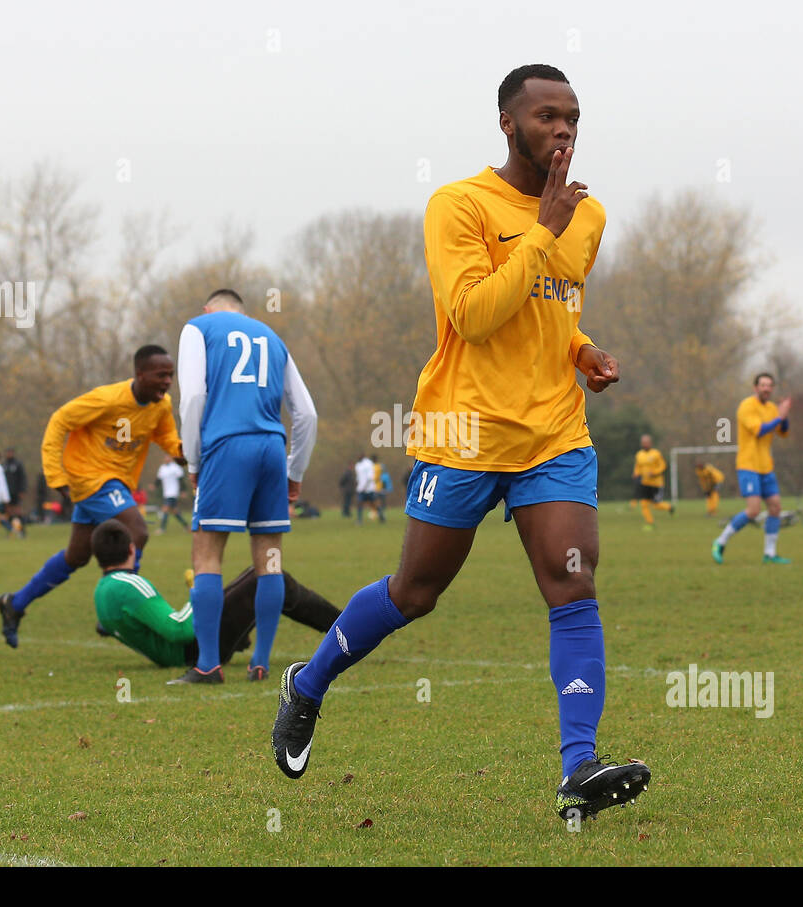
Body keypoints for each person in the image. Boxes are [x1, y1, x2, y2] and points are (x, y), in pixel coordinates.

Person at [271, 64, 650, 821]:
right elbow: (475, 315)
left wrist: (582, 352)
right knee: (416, 593)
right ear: (509, 124)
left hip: (553, 433)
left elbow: (548, 310)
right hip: (463, 432)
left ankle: (580, 768)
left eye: (573, 116)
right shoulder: (458, 205)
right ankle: (307, 684)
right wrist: (540, 230)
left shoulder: (590, 214)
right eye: (547, 116)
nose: (564, 129)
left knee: (572, 584)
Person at [168, 288, 318, 685]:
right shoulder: (272, 336)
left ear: (207, 307)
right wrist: (295, 472)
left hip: (226, 445)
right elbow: (306, 413)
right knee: (269, 559)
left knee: (207, 554)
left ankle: (208, 664)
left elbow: (193, 397)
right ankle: (261, 662)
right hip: (271, 448)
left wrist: (194, 459)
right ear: (243, 311)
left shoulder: (196, 328)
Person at [0, 345, 185, 648]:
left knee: (77, 556)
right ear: (140, 374)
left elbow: (166, 436)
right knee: (137, 530)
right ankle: (116, 609)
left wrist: (181, 452)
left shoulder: (160, 406)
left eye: (170, 376)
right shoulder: (107, 399)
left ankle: (14, 603)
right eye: (160, 375)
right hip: (91, 479)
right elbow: (60, 421)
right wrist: (56, 476)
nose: (167, 382)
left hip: (114, 484)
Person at [90, 519, 341, 668]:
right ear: (132, 549)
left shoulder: (102, 591)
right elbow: (178, 630)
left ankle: (341, 626)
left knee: (260, 576)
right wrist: (197, 594)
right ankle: (346, 627)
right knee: (271, 578)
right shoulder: (128, 585)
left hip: (187, 651)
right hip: (195, 649)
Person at [712, 373, 792, 565]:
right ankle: (720, 541)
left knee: (775, 507)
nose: (766, 388)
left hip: (766, 466)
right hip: (748, 466)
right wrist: (779, 416)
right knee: (754, 510)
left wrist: (784, 416)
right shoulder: (747, 406)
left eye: (769, 385)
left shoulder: (772, 408)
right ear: (755, 387)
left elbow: (783, 432)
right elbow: (759, 431)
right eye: (763, 385)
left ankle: (769, 554)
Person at [632, 435, 671, 530]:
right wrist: (636, 473)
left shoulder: (656, 454)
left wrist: (655, 472)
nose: (644, 444)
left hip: (656, 484)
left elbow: (663, 466)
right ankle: (650, 523)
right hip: (645, 483)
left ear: (650, 443)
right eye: (643, 442)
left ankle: (669, 507)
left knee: (656, 505)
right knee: (644, 504)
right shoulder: (639, 455)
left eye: (646, 442)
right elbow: (638, 467)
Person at [155, 454, 189, 533]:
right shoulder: (162, 468)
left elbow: (181, 480)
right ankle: (186, 526)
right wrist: (155, 486)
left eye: (168, 457)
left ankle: (162, 529)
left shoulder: (176, 467)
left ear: (171, 458)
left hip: (173, 492)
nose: (166, 458)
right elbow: (158, 479)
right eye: (165, 457)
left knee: (165, 509)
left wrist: (183, 490)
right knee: (174, 511)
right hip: (166, 493)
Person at [2, 447, 27, 537]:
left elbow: (23, 478)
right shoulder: (4, 465)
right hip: (6, 493)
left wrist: (22, 490)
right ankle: (12, 531)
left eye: (10, 452)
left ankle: (22, 530)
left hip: (16, 492)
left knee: (17, 512)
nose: (9, 454)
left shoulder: (18, 464)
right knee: (8, 512)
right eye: (7, 452)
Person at [354, 453, 376, 524]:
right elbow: (358, 477)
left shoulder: (368, 464)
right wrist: (359, 486)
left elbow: (369, 478)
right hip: (361, 489)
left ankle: (381, 516)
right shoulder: (358, 465)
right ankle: (359, 520)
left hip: (369, 489)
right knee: (359, 503)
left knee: (373, 503)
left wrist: (364, 487)